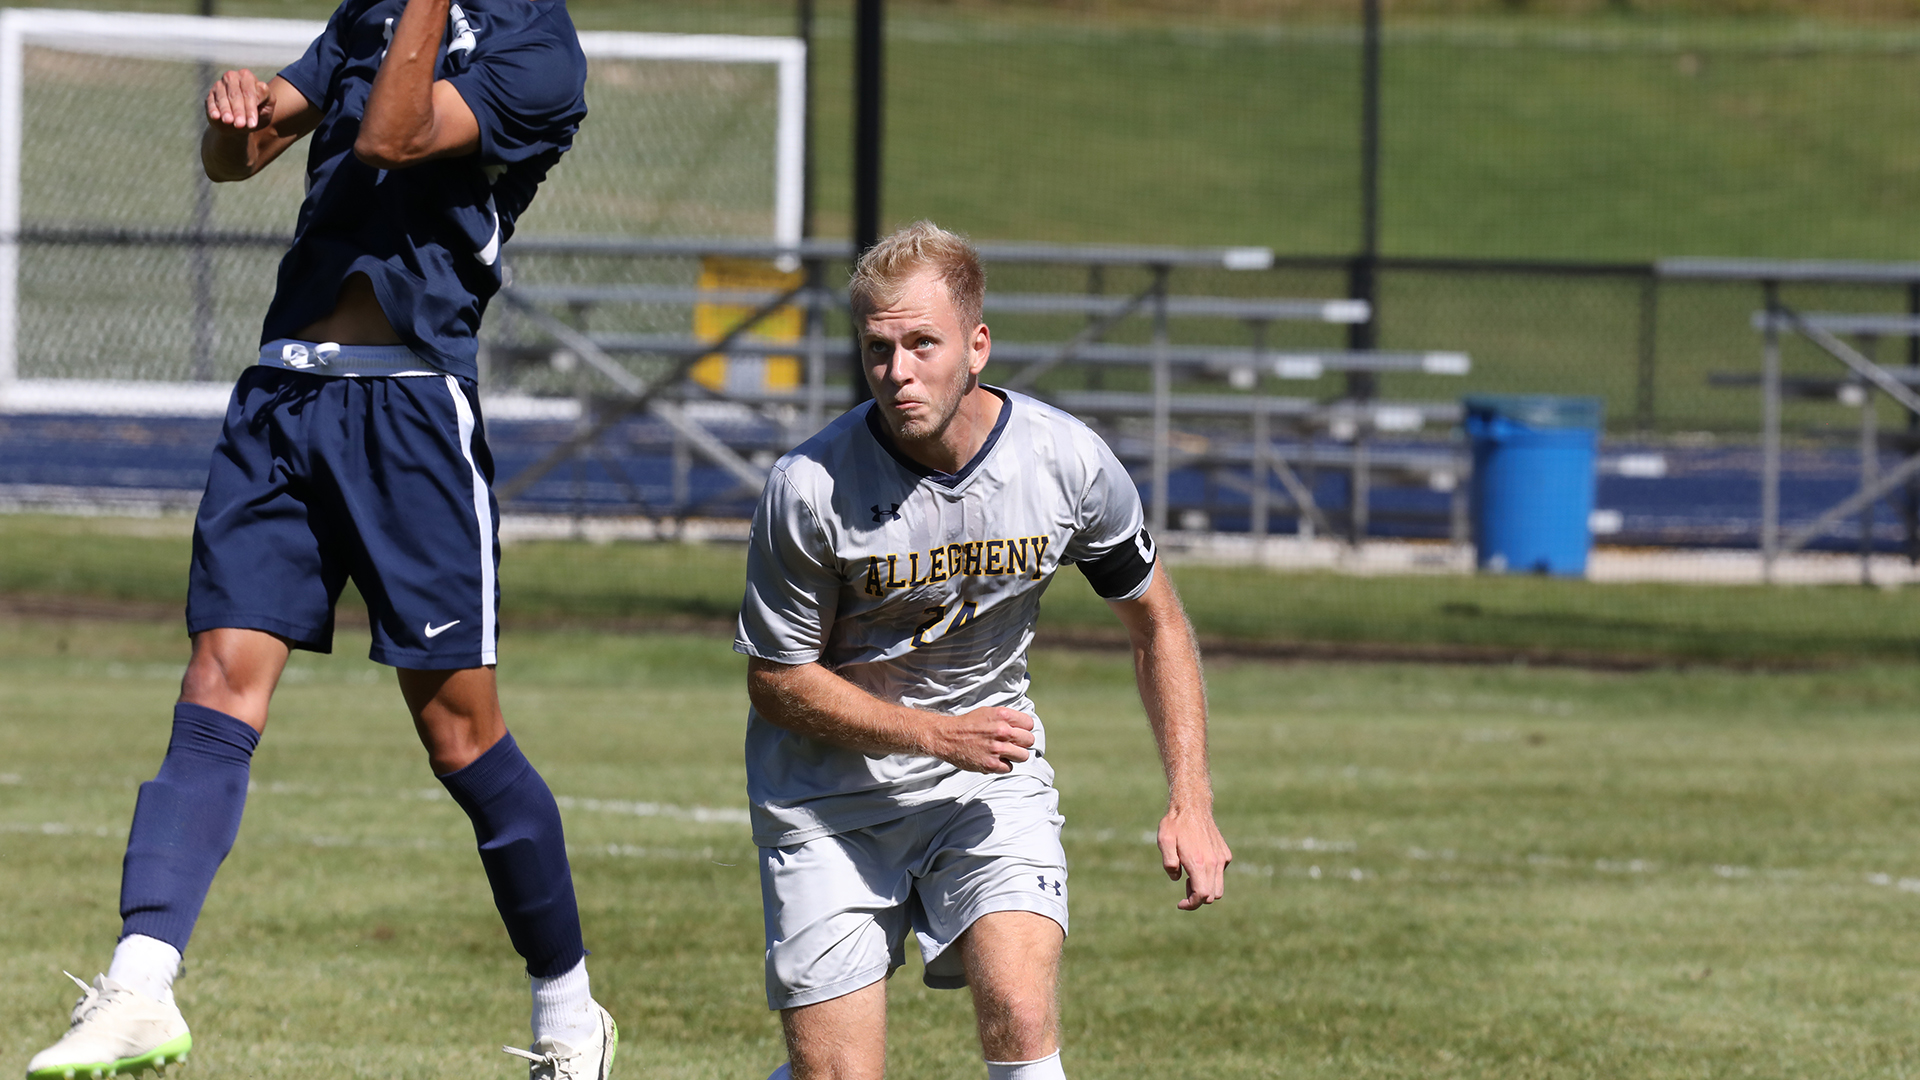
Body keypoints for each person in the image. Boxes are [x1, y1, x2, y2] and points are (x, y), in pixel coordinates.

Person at [24, 0, 615, 1077]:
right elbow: (236, 157)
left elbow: (393, 135)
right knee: (216, 683)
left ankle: (570, 1014)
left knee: (460, 737)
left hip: (413, 410)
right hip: (283, 395)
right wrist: (235, 109)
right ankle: (142, 983)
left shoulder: (540, 52)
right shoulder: (370, 12)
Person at [733, 221, 1233, 1080]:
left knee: (1021, 1007)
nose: (897, 372)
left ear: (977, 345)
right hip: (826, 800)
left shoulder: (1065, 463)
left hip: (988, 781)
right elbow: (777, 683)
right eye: (877, 349)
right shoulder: (809, 488)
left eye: (921, 344)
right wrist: (931, 734)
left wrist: (1191, 800)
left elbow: (1157, 622)